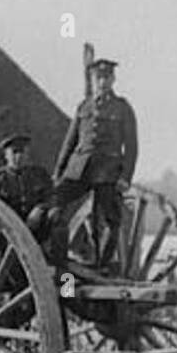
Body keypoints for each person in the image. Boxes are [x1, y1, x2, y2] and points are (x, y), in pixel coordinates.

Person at [48, 58, 138, 273]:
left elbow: (132, 146)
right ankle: (59, 261)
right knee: (54, 207)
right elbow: (70, 142)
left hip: (107, 171)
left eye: (106, 78)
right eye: (99, 78)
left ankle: (101, 265)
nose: (102, 82)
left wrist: (125, 177)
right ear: (93, 79)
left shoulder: (122, 107)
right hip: (80, 168)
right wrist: (59, 172)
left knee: (110, 220)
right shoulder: (83, 106)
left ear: (113, 80)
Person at [0, 133, 53, 238]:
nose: (19, 156)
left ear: (27, 154)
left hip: (36, 225)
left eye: (22, 152)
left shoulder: (40, 174)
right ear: (6, 155)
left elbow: (51, 196)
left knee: (58, 227)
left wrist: (40, 209)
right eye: (14, 152)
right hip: (9, 227)